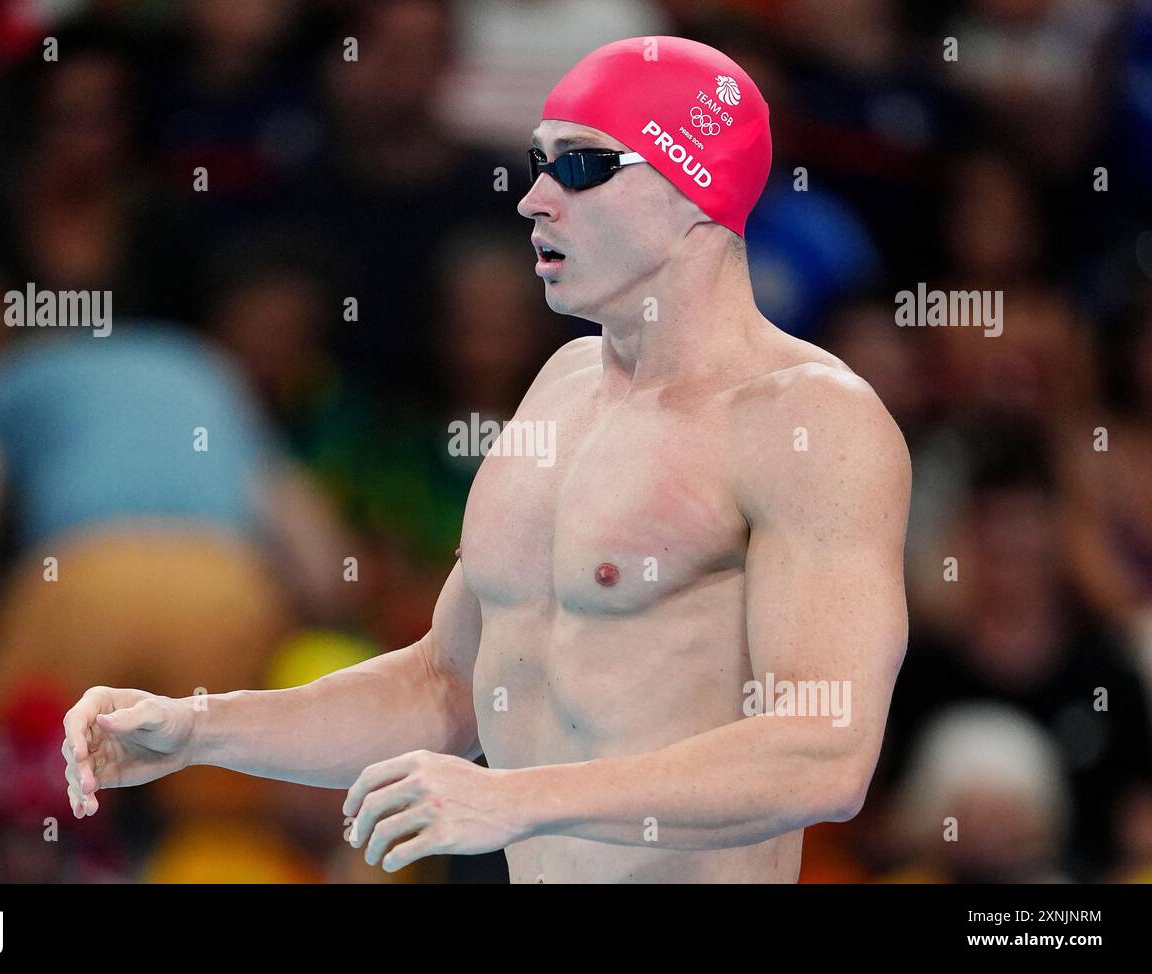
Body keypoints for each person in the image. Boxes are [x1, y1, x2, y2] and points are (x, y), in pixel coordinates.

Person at [63, 36, 911, 883]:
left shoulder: (808, 421)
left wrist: (519, 799)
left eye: (581, 168)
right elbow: (444, 690)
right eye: (536, 163)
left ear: (694, 186)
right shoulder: (563, 388)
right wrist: (201, 729)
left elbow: (825, 752)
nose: (534, 199)